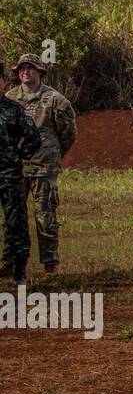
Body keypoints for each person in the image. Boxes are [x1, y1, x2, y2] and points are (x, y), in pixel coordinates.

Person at [5, 54, 77, 275]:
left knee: (45, 217)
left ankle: (50, 265)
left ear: (40, 72)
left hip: (43, 169)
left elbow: (69, 134)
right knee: (13, 218)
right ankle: (11, 264)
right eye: (22, 68)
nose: (26, 72)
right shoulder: (9, 99)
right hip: (15, 169)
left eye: (31, 68)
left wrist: (52, 154)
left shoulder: (55, 100)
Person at [0, 75, 42, 285]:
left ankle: (18, 270)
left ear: (3, 83)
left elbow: (34, 137)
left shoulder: (15, 110)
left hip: (9, 174)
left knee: (15, 221)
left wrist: (18, 155)